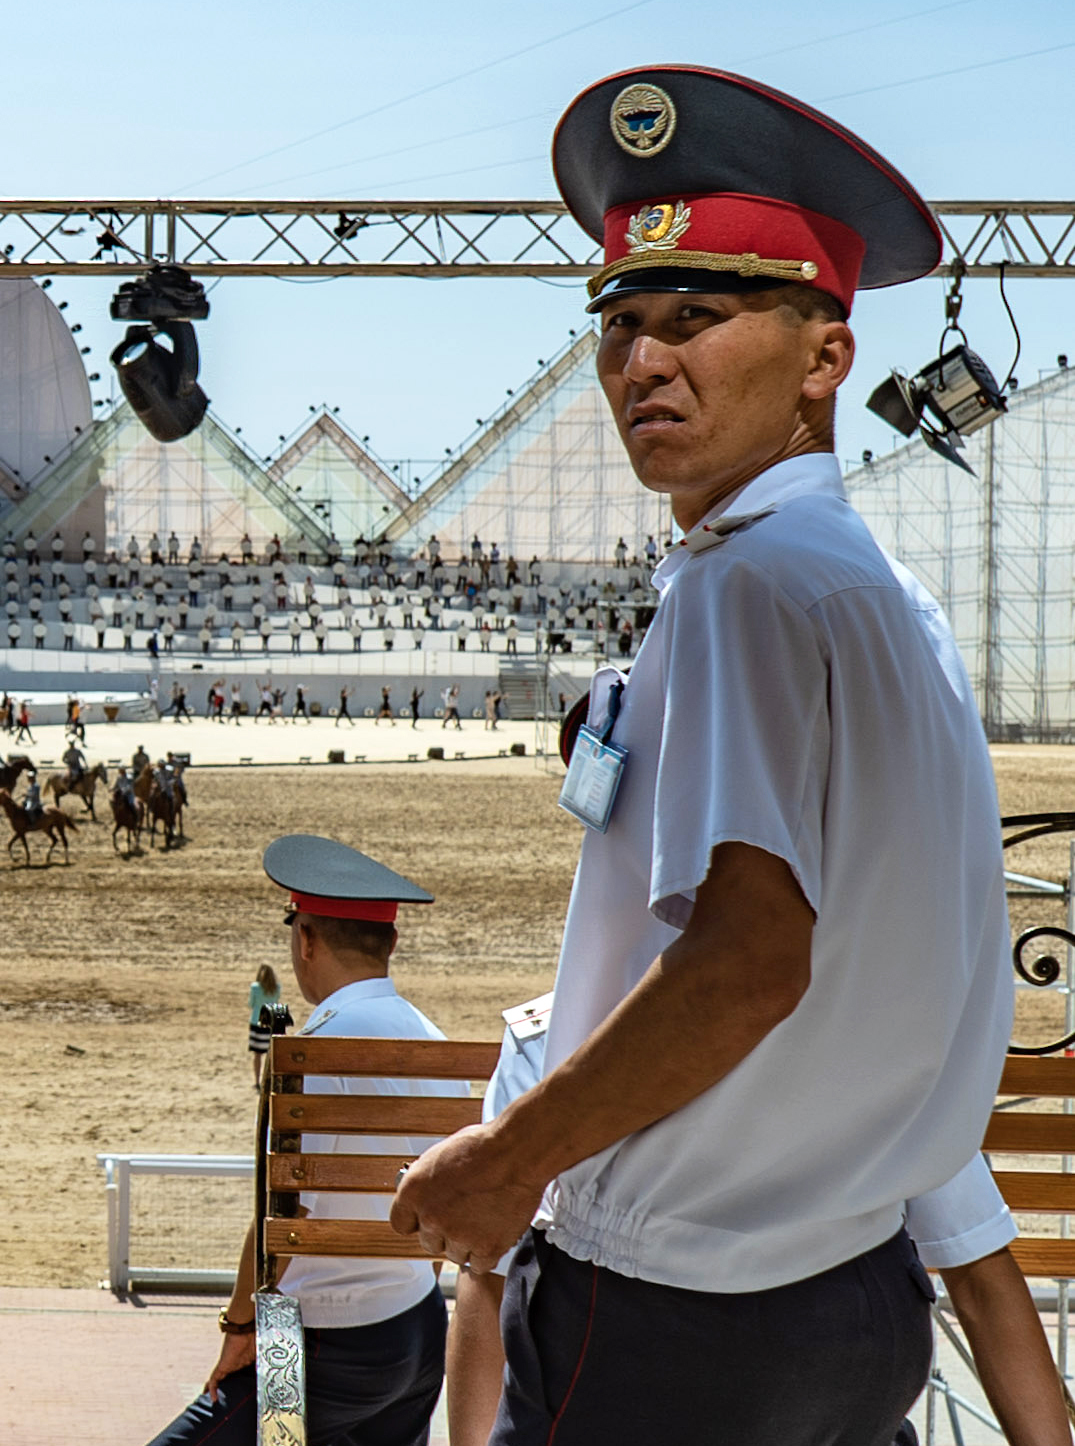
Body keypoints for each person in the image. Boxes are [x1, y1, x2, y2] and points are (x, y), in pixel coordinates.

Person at [391, 66, 1011, 1444]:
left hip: (670, 1318)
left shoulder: (743, 583)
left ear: (821, 356)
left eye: (695, 318)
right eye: (617, 324)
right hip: (851, 1290)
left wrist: (507, 1158)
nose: (640, 363)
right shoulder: (877, 593)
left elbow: (745, 956)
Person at [445, 994, 1074, 1446]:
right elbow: (978, 1269)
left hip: (634, 1368)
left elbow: (491, 1265)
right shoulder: (876, 1044)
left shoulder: (555, 1039)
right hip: (846, 1374)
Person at [150, 835, 455, 1446]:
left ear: (307, 939)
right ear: (390, 941)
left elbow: (282, 1217)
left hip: (311, 1335)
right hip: (418, 1328)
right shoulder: (431, 1036)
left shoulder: (316, 1050)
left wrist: (239, 1328)